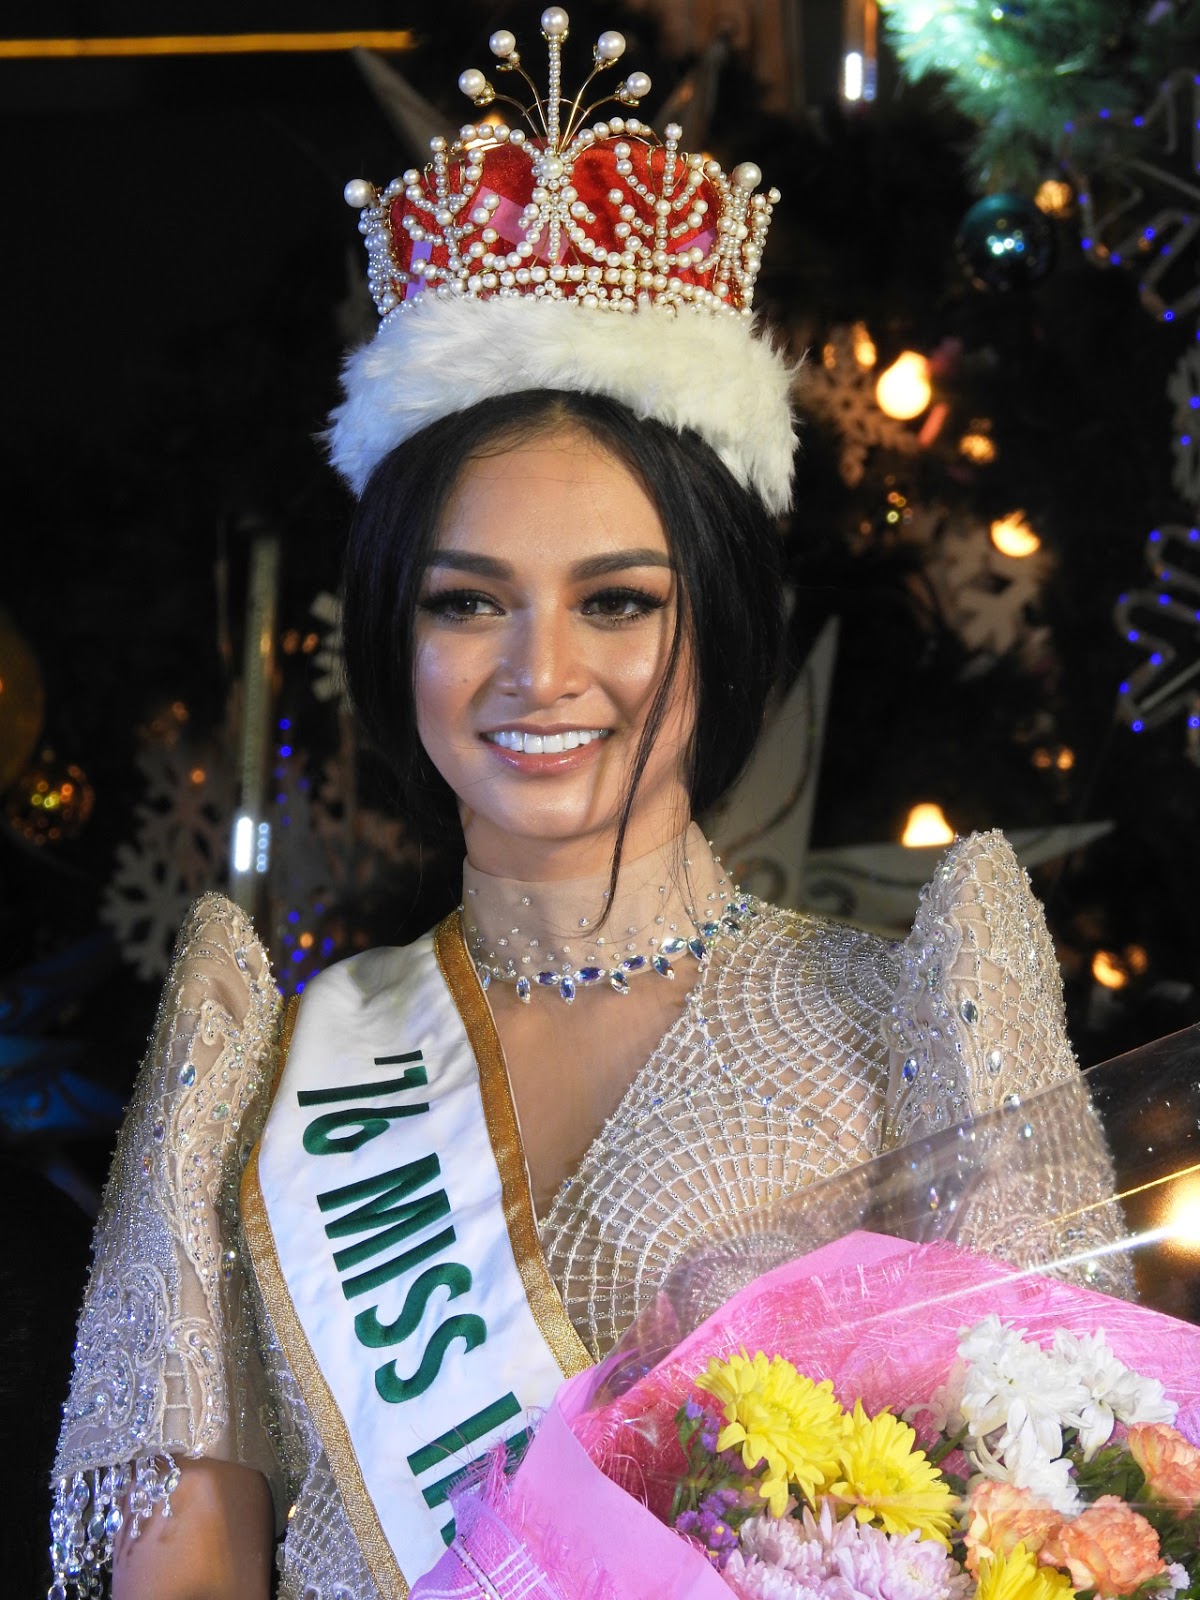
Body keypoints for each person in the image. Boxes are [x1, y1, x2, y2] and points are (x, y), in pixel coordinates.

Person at [49, 12, 1125, 1600]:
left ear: (720, 621)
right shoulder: (258, 1069)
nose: (536, 673)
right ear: (392, 631)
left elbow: (1064, 1521)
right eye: (468, 602)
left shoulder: (909, 1016)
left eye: (616, 603)